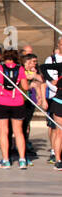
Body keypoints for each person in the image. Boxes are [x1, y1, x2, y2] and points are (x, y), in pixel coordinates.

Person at [0, 48, 28, 169]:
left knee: (3, 131)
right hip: (17, 101)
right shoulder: (20, 69)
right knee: (18, 132)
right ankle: (22, 160)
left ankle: (6, 160)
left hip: (1, 101)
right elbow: (25, 87)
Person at [42, 38, 62, 168]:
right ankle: (58, 159)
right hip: (58, 98)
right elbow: (43, 67)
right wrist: (52, 80)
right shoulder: (55, 61)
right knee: (58, 130)